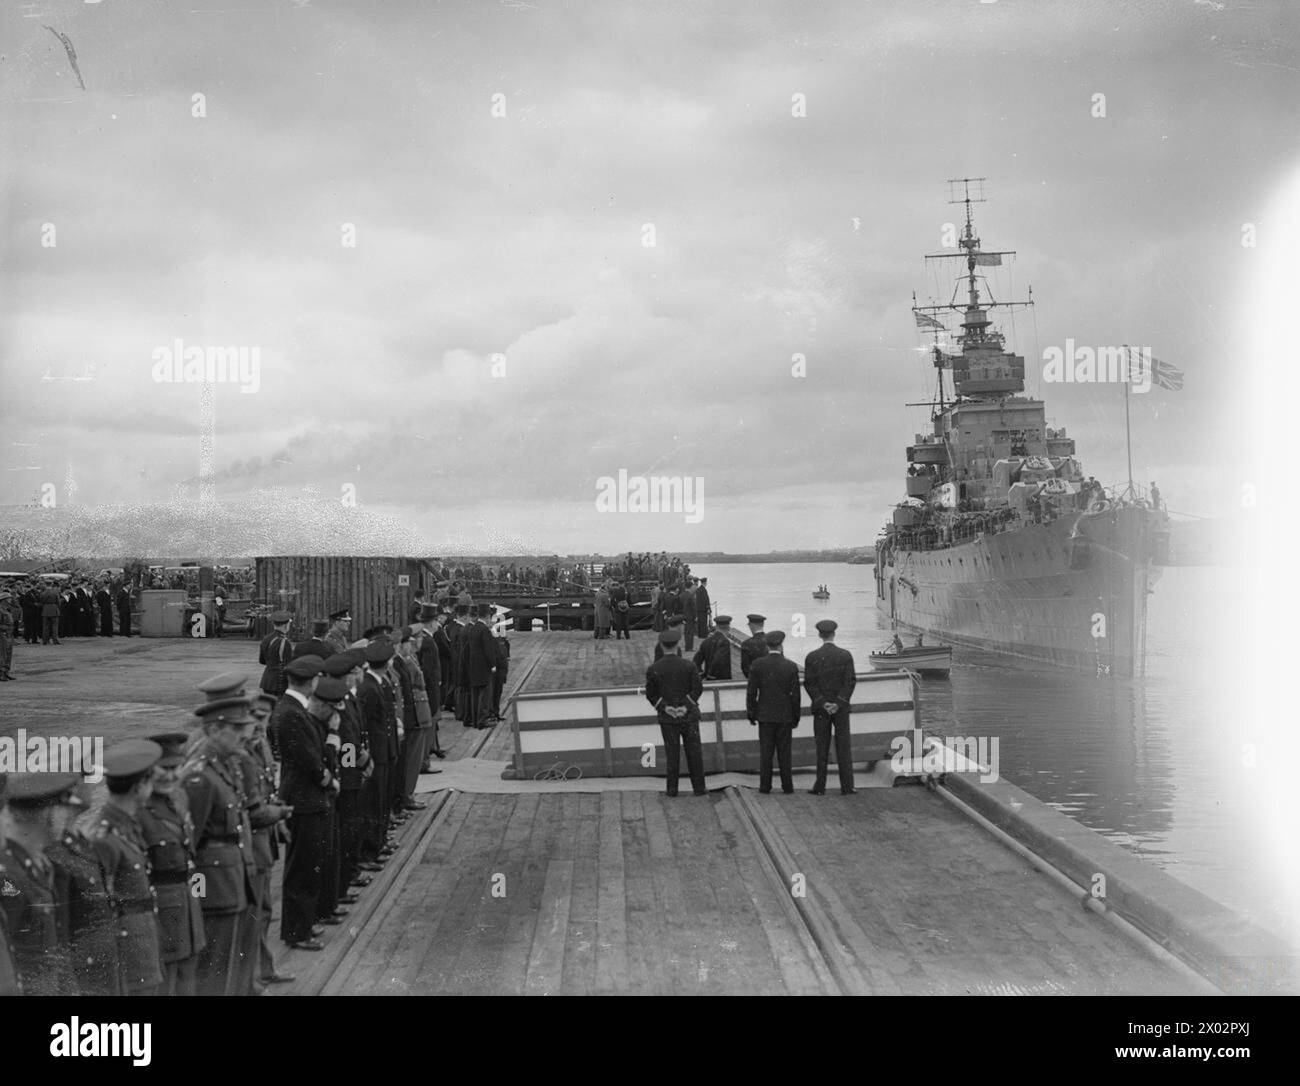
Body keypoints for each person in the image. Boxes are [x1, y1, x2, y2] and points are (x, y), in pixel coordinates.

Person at [182, 687, 259, 994]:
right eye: (236, 728)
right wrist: (198, 897)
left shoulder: (227, 764)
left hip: (232, 882)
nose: (244, 734)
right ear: (214, 729)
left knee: (229, 966)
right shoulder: (198, 777)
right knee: (213, 971)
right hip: (213, 892)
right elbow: (189, 846)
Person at [87, 739, 165, 994]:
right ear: (139, 786)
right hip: (128, 947)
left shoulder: (126, 824)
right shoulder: (105, 837)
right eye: (150, 780)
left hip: (143, 937)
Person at [139, 732, 208, 996]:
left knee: (187, 976)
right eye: (163, 769)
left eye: (176, 768)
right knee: (165, 985)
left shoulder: (179, 798)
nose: (170, 775)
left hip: (189, 906)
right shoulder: (141, 811)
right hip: (162, 913)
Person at [0, 773, 82, 995]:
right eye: (63, 807)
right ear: (49, 813)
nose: (67, 817)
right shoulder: (8, 877)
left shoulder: (40, 865)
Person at [643, 628, 707, 797]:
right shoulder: (689, 665)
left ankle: (672, 790)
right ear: (678, 644)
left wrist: (665, 707)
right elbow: (697, 688)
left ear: (661, 646)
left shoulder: (654, 669)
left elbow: (651, 694)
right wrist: (686, 705)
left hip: (667, 718)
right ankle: (699, 789)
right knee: (694, 753)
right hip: (689, 716)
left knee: (672, 754)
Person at [803, 620, 857, 796]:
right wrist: (838, 703)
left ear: (820, 635)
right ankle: (847, 787)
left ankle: (820, 786)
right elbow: (850, 682)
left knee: (822, 748)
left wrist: (822, 702)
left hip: (821, 710)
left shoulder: (812, 657)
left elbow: (809, 684)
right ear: (834, 634)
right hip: (840, 710)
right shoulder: (845, 655)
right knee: (843, 747)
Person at [746, 630, 801, 795]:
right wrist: (795, 717)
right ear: (781, 645)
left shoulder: (757, 665)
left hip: (765, 715)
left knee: (766, 752)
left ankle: (765, 786)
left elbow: (751, 692)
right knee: (785, 752)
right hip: (784, 715)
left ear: (767, 646)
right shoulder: (791, 666)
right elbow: (795, 696)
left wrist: (751, 713)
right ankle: (787, 786)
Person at [258, 610, 294, 706]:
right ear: (286, 625)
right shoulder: (284, 642)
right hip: (279, 683)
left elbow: (262, 661)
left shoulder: (266, 638)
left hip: (267, 681)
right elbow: (288, 665)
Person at [692, 614, 733, 680]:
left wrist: (701, 674)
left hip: (709, 679)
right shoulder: (725, 642)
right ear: (728, 627)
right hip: (722, 679)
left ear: (716, 626)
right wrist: (711, 675)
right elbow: (718, 660)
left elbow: (696, 661)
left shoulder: (706, 641)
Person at [740, 613, 768, 678]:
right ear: (762, 624)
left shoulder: (746, 644)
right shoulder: (772, 641)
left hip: (754, 681)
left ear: (752, 626)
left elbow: (745, 668)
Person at [0, 592, 14, 680]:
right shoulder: (0, 610)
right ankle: (2, 673)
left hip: (9, 634)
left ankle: (6, 672)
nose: (10, 600)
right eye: (9, 598)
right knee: (3, 654)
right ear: (4, 600)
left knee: (9, 653)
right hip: (2, 634)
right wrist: (4, 628)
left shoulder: (7, 609)